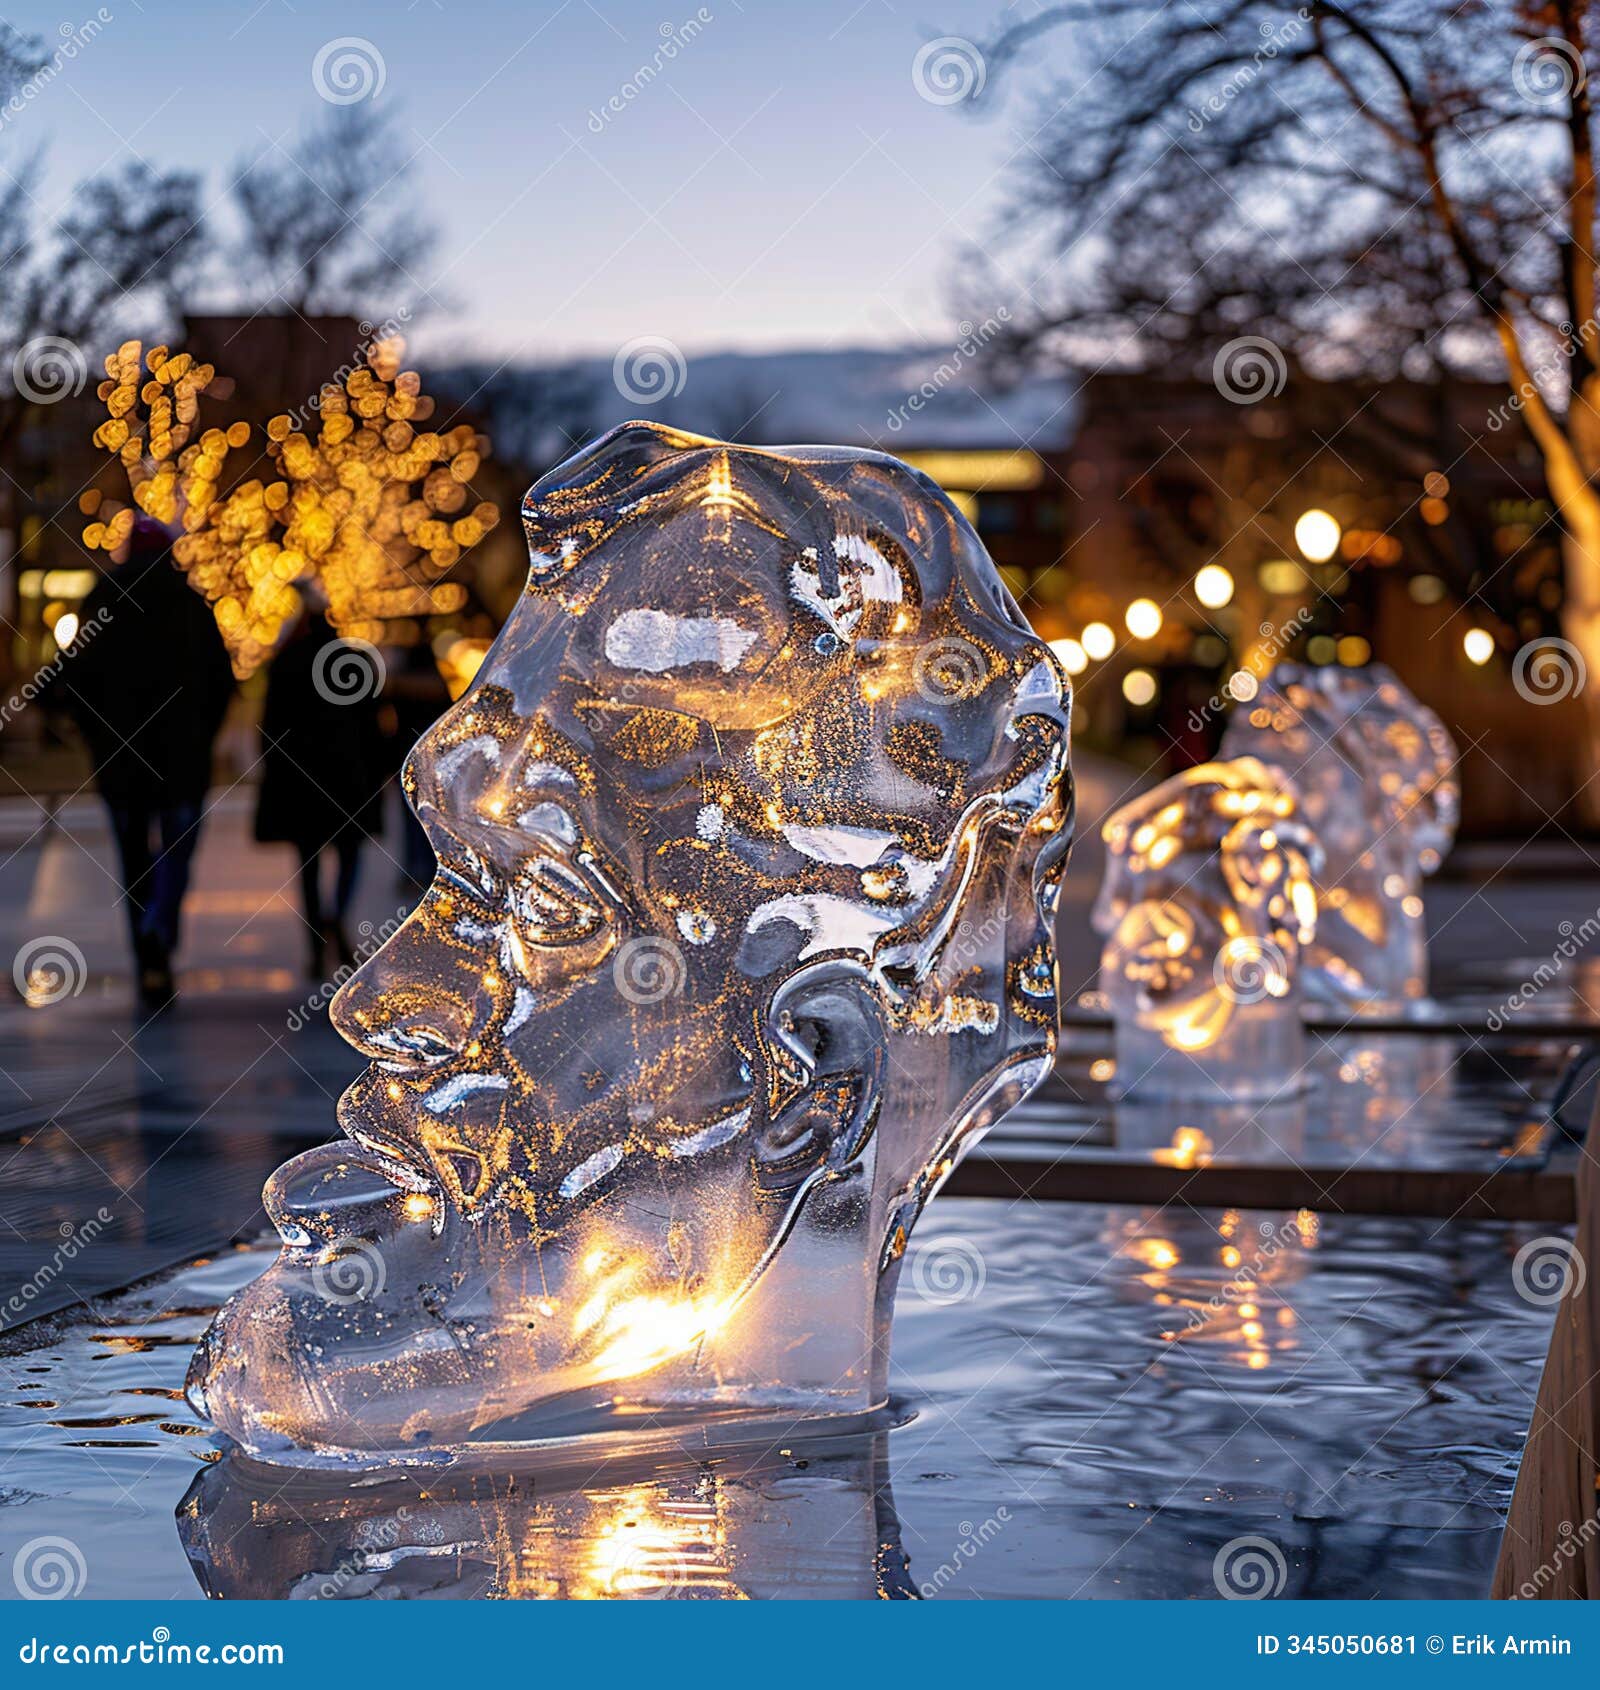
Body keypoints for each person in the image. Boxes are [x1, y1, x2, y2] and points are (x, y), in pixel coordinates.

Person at [48, 517, 234, 1010]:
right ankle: (161, 927)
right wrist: (202, 739)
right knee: (177, 853)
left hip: (121, 764)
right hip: (182, 762)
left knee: (133, 860)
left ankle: (146, 952)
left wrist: (93, 737)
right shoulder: (194, 606)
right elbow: (221, 685)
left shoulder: (102, 600)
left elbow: (72, 681)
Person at [255, 599, 387, 979]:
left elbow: (270, 729)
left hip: (302, 782)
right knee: (350, 854)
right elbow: (372, 726)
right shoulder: (353, 661)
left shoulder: (286, 664)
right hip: (348, 778)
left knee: (308, 864)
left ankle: (316, 942)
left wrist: (275, 771)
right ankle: (336, 916)